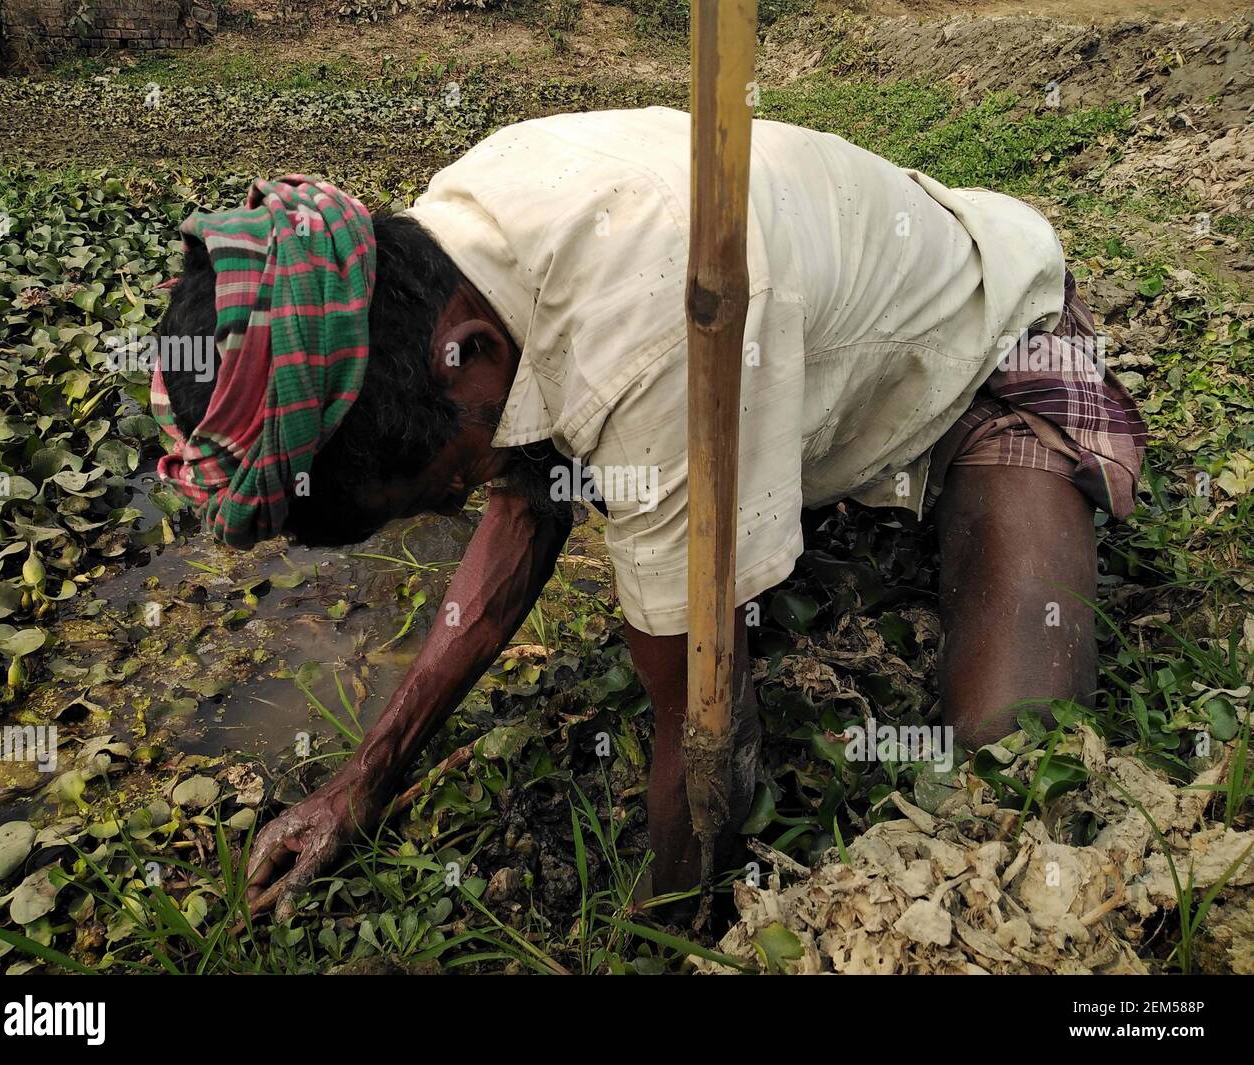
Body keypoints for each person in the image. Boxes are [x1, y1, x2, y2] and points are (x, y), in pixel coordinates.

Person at [151, 106, 1146, 921]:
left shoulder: (661, 337)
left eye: (445, 484)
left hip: (993, 338)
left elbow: (707, 720)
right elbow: (525, 504)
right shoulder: (442, 253)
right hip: (802, 363)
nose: (470, 501)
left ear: (467, 354)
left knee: (1017, 770)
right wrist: (358, 781)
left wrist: (661, 927)